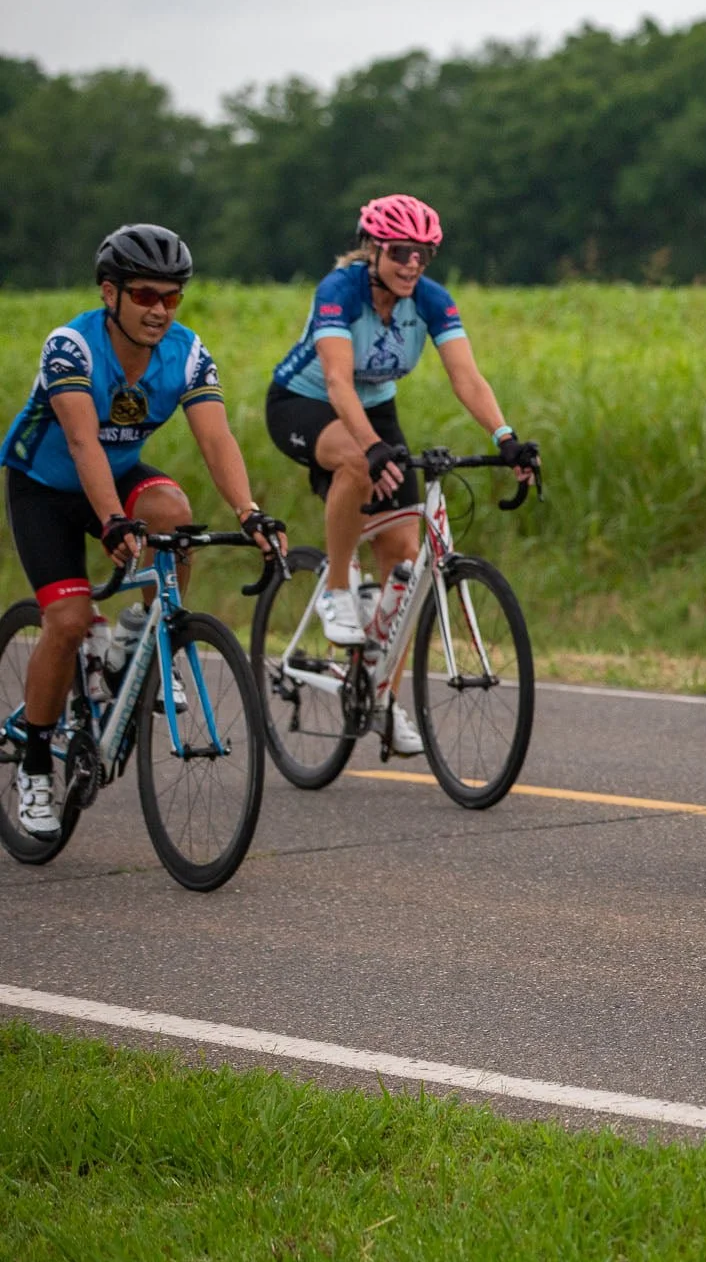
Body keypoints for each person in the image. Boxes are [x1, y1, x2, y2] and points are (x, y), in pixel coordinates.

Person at [3, 224, 285, 838]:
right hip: (45, 488)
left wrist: (249, 512)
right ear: (112, 294)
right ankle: (33, 763)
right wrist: (109, 520)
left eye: (172, 297)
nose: (160, 309)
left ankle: (143, 635)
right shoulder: (72, 347)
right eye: (146, 295)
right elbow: (81, 441)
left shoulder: (185, 353)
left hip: (121, 476)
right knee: (70, 621)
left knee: (174, 514)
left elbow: (216, 437)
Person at [267, 195, 537, 756]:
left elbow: (466, 377)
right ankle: (337, 589)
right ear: (373, 249)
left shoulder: (432, 302)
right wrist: (371, 450)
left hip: (377, 408)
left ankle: (381, 696)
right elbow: (339, 383)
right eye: (400, 252)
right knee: (356, 466)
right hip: (306, 402)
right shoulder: (339, 293)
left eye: (423, 254)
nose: (412, 264)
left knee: (406, 563)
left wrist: (504, 438)